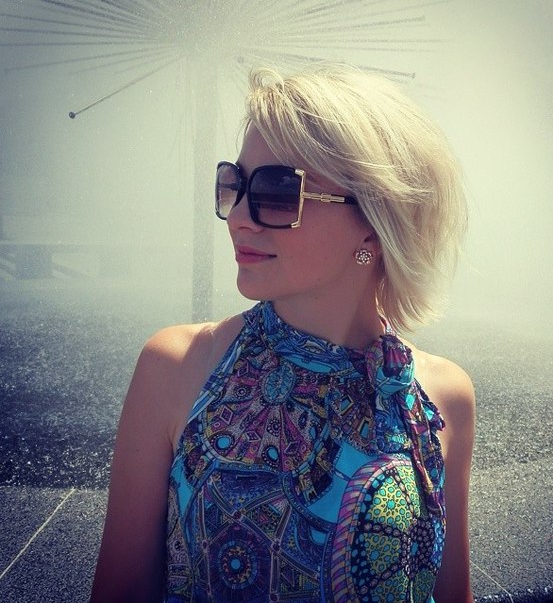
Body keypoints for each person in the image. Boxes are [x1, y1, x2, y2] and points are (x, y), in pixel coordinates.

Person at [90, 64, 475, 603]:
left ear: (374, 221)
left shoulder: (443, 397)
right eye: (235, 185)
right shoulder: (174, 368)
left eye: (276, 191)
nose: (238, 218)